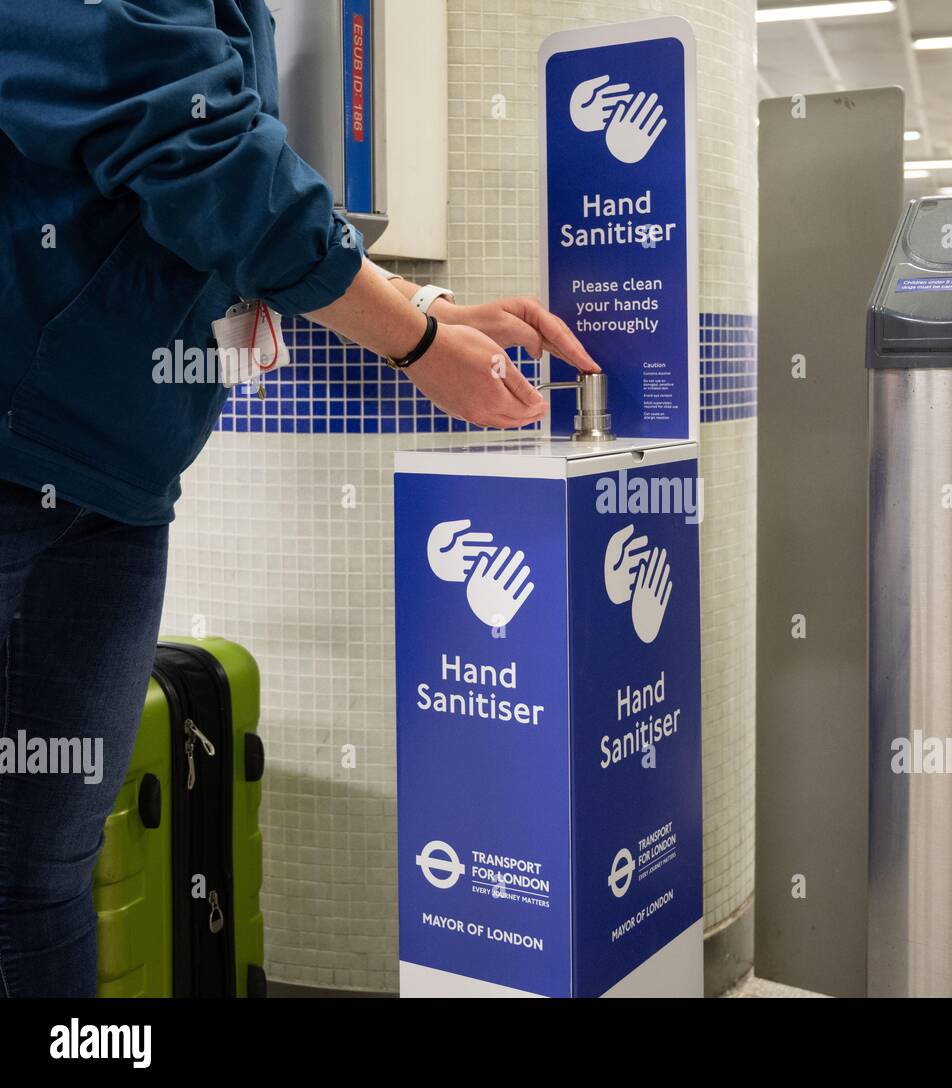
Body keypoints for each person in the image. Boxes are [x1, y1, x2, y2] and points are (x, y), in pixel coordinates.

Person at [0, 0, 597, 998]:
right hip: (20, 462)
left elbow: (216, 216)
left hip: (115, 484)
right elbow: (206, 159)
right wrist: (413, 345)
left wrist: (425, 309)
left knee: (40, 871)